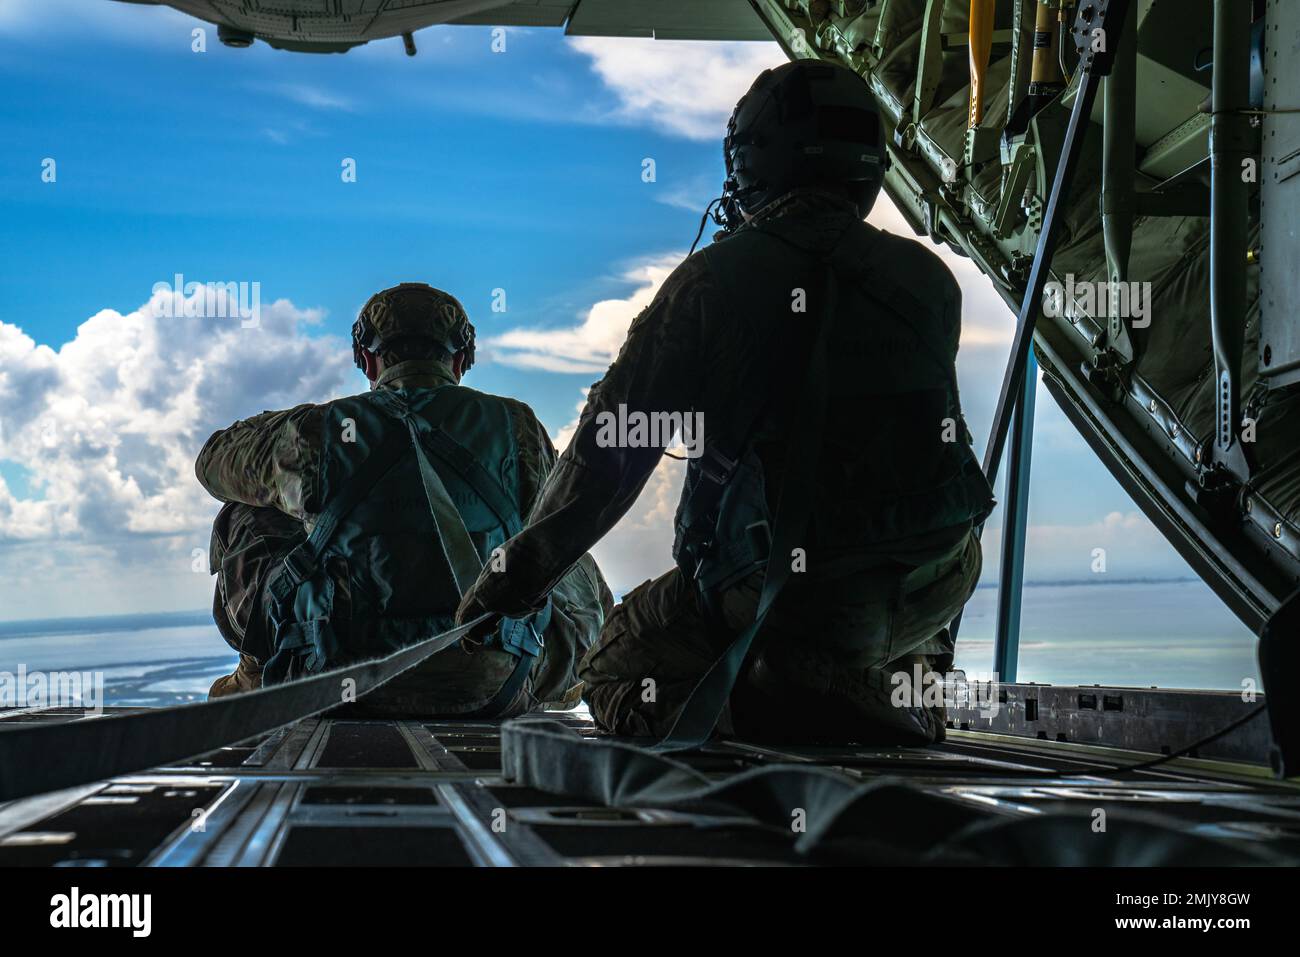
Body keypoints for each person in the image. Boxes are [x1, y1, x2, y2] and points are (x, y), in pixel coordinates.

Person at [456, 61, 995, 743]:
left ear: (751, 162)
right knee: (862, 614)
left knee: (612, 668)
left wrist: (508, 582)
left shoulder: (708, 285)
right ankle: (892, 690)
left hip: (784, 592)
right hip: (935, 583)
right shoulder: (930, 280)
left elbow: (605, 462)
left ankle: (769, 703)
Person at [197, 282, 611, 717]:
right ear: (462, 358)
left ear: (366, 359)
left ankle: (256, 673)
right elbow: (564, 526)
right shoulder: (517, 425)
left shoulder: (318, 431)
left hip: (332, 679)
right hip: (493, 685)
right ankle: (567, 678)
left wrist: (290, 431)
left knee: (242, 513)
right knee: (565, 546)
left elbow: (212, 465)